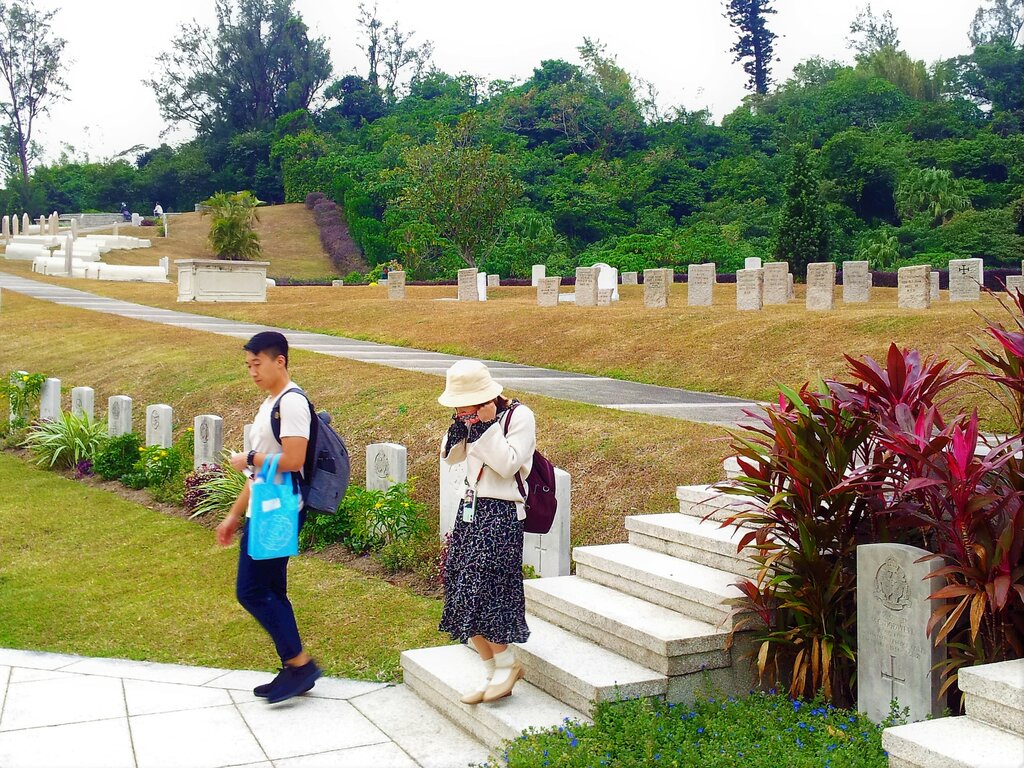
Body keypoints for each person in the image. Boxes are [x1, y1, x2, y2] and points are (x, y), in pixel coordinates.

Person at [216, 331, 322, 704]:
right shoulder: (270, 404)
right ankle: (294, 668)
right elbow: (260, 472)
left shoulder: (292, 403)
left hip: (281, 509)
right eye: (248, 365)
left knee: (251, 590)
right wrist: (233, 515)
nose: (252, 372)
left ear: (280, 361)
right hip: (266, 505)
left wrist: (247, 458)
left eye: (257, 363)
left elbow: (293, 460)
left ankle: (300, 664)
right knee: (270, 590)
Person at [438, 360, 535, 704]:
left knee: (488, 590)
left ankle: (508, 665)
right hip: (470, 510)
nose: (459, 410)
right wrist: (463, 426)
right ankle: (490, 670)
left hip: (502, 513)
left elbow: (508, 464)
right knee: (460, 590)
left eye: (463, 404)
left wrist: (489, 425)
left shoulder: (518, 417)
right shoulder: (469, 420)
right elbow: (450, 457)